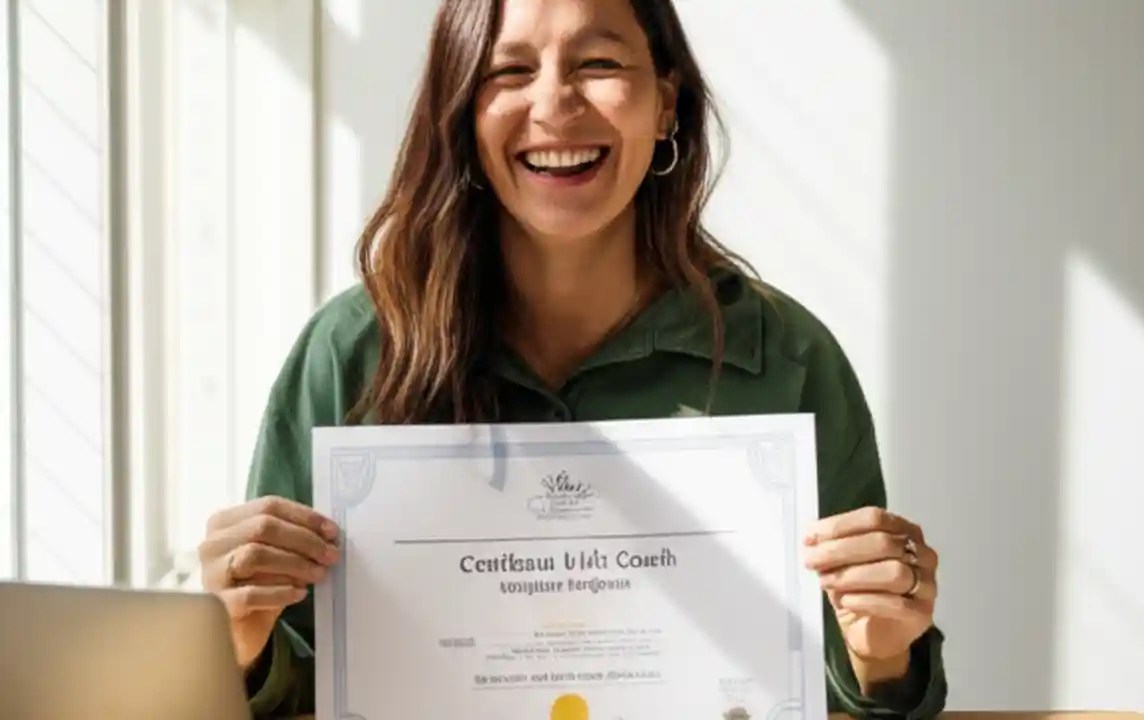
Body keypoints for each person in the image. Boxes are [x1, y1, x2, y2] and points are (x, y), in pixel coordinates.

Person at [197, 0, 947, 717]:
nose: (555, 104)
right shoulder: (352, 351)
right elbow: (285, 684)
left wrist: (881, 655)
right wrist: (234, 638)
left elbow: (856, 692)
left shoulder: (787, 357)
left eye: (598, 62)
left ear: (665, 105)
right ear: (460, 108)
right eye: (510, 71)